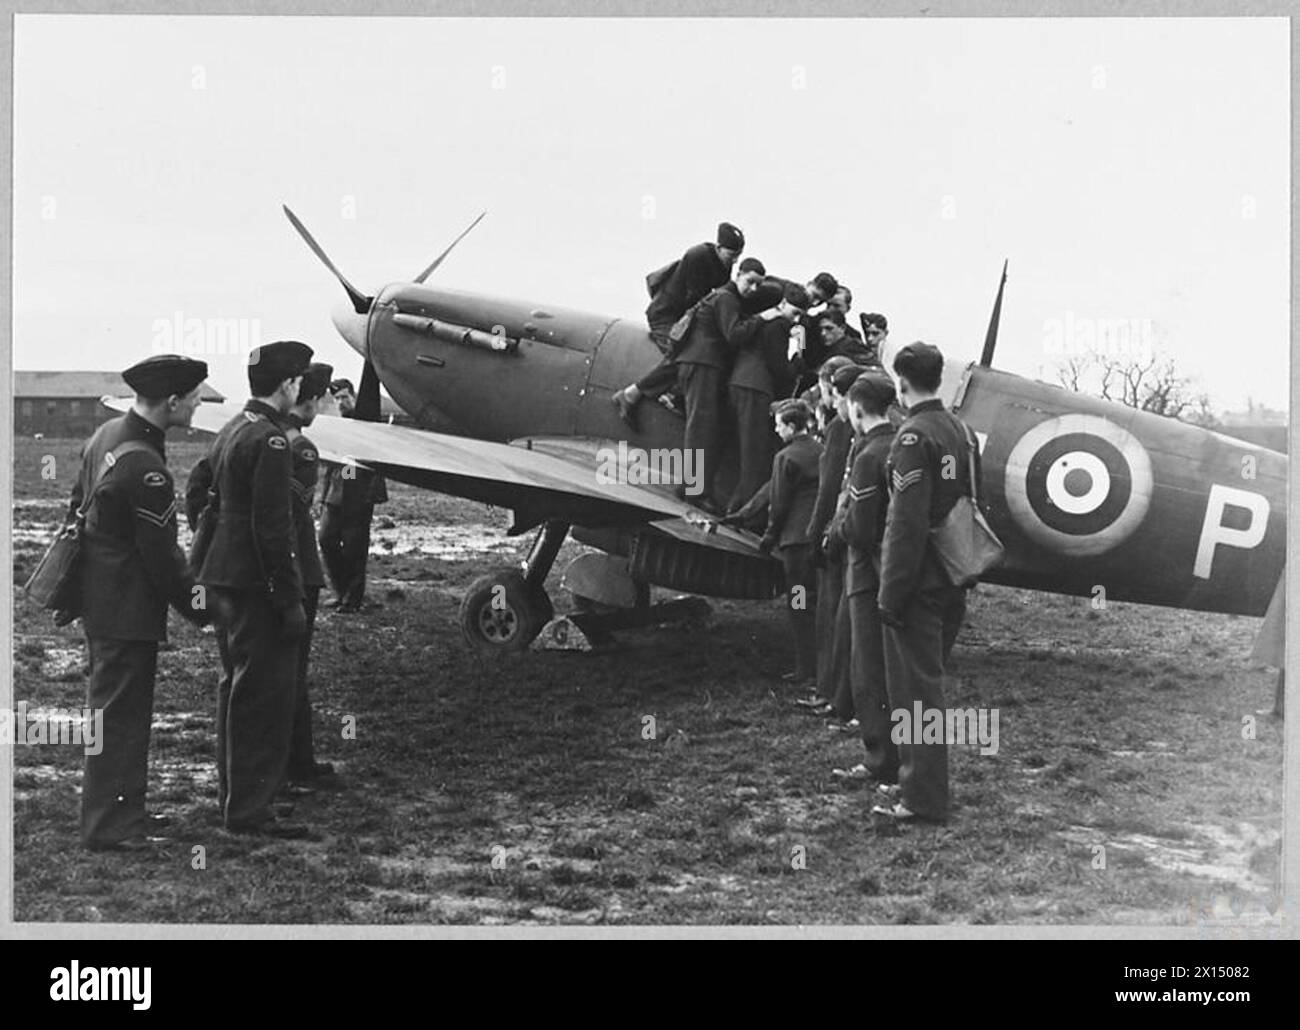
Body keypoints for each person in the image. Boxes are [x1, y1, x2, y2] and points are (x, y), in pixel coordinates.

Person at [71, 354, 210, 851]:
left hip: (102, 602)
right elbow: (163, 557)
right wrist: (202, 607)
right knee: (121, 718)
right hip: (125, 609)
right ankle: (111, 827)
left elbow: (76, 504)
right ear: (173, 401)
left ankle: (122, 813)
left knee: (115, 713)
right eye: (195, 397)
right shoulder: (147, 467)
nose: (198, 405)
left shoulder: (106, 437)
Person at [197, 340, 313, 836]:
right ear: (288, 385)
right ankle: (249, 811)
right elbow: (273, 529)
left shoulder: (232, 429)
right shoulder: (270, 440)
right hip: (257, 584)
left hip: (226, 576)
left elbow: (200, 493)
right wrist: (288, 598)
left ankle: (237, 798)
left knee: (235, 688)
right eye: (298, 383)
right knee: (262, 696)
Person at [872, 342, 974, 823]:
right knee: (926, 687)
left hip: (919, 582)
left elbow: (906, 523)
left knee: (917, 693)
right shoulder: (957, 429)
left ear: (901, 382)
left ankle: (922, 799)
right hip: (953, 574)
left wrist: (890, 593)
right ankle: (919, 786)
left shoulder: (912, 438)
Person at [830, 373, 899, 783]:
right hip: (893, 570)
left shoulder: (870, 453)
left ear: (856, 407)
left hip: (865, 572)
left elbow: (858, 527)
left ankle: (879, 759)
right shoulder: (901, 443)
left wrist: (833, 532)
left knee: (867, 667)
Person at [611, 222, 745, 427]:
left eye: (738, 255)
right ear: (719, 248)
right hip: (665, 316)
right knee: (682, 357)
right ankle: (631, 395)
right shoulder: (697, 256)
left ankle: (670, 394)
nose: (734, 260)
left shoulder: (723, 265)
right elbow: (698, 300)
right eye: (732, 254)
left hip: (684, 318)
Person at [674, 256, 768, 512]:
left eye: (758, 285)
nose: (753, 289)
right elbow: (734, 335)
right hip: (703, 364)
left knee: (702, 426)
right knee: (700, 428)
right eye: (750, 282)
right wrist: (763, 318)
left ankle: (692, 487)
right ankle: (692, 491)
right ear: (738, 275)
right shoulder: (726, 298)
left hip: (703, 364)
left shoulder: (724, 296)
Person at [284, 362, 336, 788]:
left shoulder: (240, 433)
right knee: (291, 671)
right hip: (294, 572)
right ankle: (295, 765)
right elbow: (289, 518)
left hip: (267, 571)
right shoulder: (301, 449)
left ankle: (297, 762)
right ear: (314, 400)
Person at [799, 358, 860, 710]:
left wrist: (814, 534)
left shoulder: (840, 427)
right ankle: (832, 692)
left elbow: (830, 485)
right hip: (847, 531)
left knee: (830, 619)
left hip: (833, 533)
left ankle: (829, 691)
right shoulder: (856, 426)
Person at [726, 281, 809, 513]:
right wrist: (798, 362)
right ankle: (740, 512)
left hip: (739, 383)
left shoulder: (763, 320)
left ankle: (735, 507)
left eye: (800, 316)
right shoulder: (780, 326)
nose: (796, 320)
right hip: (757, 389)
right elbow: (779, 367)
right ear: (783, 305)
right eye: (795, 313)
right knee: (756, 457)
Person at [758, 400, 823, 685]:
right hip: (817, 540)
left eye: (779, 424)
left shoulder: (785, 457)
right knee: (815, 602)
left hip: (795, 546)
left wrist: (769, 536)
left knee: (797, 606)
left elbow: (779, 503)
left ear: (791, 426)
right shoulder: (821, 450)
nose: (775, 429)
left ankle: (804, 668)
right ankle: (821, 665)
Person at [318, 378, 389, 612]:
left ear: (354, 397)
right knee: (326, 539)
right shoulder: (336, 426)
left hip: (358, 497)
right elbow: (330, 463)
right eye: (337, 398)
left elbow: (378, 462)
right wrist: (323, 496)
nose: (341, 402)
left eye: (345, 397)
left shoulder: (367, 423)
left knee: (354, 550)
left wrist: (371, 494)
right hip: (335, 495)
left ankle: (353, 599)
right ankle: (339, 590)